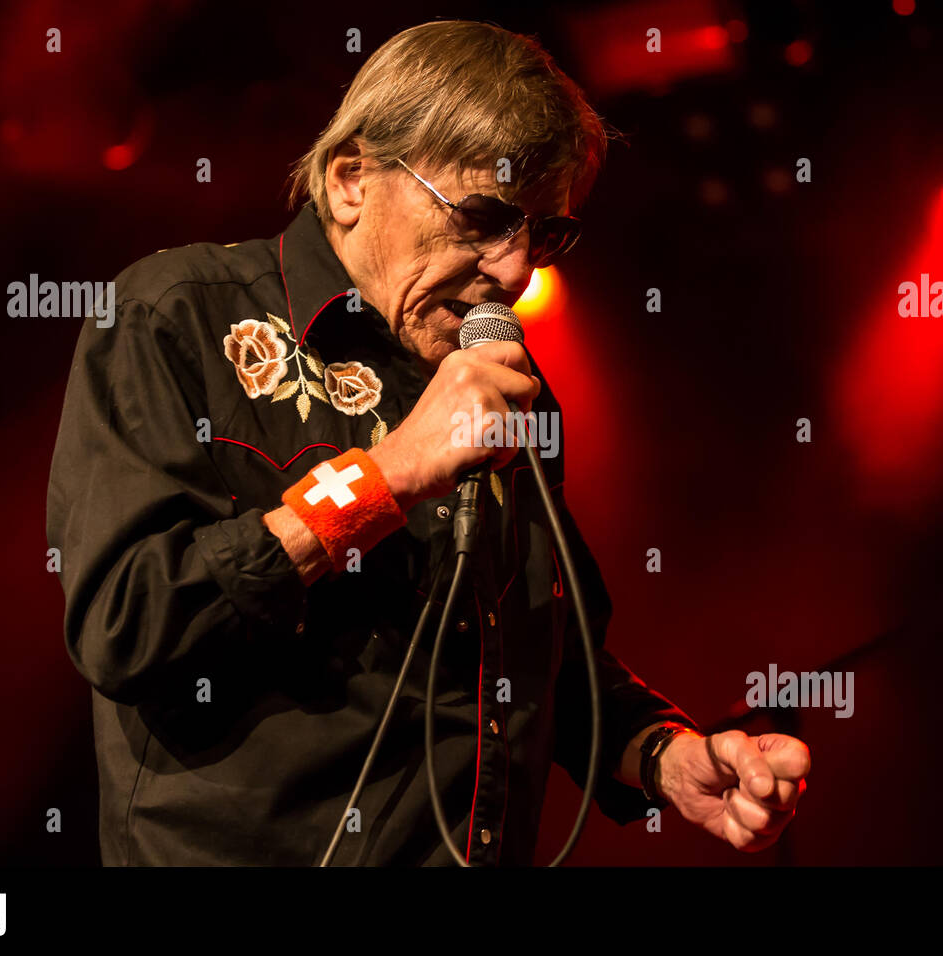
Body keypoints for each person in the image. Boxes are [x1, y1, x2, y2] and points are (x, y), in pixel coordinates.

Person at [46, 19, 810, 866]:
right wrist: (388, 477)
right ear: (351, 180)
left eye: (546, 235)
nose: (519, 273)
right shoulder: (176, 311)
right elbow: (128, 624)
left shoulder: (506, 388)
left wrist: (669, 756)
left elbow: (547, 657)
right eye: (482, 218)